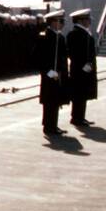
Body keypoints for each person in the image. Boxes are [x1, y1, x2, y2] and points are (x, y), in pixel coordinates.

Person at [34, 9, 70, 137]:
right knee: (49, 101)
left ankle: (53, 125)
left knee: (55, 100)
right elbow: (38, 56)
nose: (62, 24)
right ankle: (48, 126)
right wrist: (47, 71)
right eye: (60, 21)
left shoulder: (59, 36)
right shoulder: (45, 35)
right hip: (49, 74)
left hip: (58, 74)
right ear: (53, 22)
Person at [66, 8, 98, 127]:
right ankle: (76, 117)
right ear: (80, 20)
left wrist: (89, 64)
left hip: (87, 68)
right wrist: (82, 65)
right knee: (78, 94)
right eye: (87, 19)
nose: (89, 21)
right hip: (78, 70)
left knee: (83, 94)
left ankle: (80, 117)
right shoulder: (74, 34)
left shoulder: (85, 33)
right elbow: (72, 52)